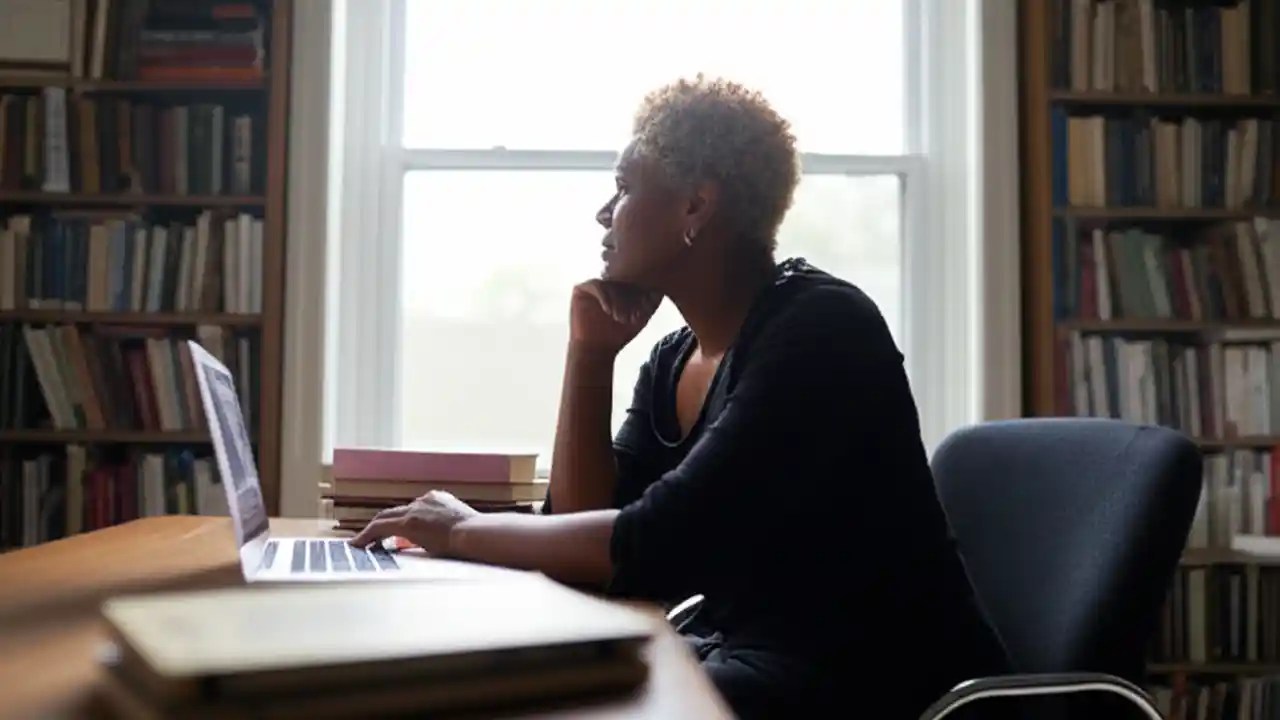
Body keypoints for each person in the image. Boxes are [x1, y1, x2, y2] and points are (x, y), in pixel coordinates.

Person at [351, 75, 1012, 719]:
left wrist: (462, 530)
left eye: (624, 188)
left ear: (696, 207)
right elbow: (592, 552)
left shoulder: (821, 331)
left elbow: (653, 542)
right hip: (750, 661)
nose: (604, 214)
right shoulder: (675, 358)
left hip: (878, 682)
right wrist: (591, 356)